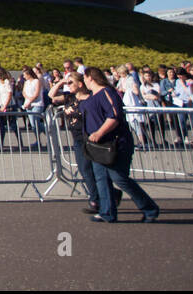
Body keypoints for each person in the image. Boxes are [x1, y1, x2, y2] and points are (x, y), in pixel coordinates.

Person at [80, 67, 159, 223]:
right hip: (98, 145)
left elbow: (114, 116)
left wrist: (99, 132)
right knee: (101, 178)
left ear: (90, 77)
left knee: (119, 177)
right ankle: (107, 212)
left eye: (84, 78)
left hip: (115, 142)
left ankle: (149, 208)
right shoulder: (92, 96)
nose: (84, 81)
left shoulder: (107, 93)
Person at [49, 71, 101, 213]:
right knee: (85, 169)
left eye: (71, 82)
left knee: (95, 170)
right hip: (77, 138)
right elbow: (51, 96)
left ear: (80, 83)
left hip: (91, 137)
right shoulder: (69, 97)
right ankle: (108, 194)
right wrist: (61, 82)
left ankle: (95, 200)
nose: (69, 85)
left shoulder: (91, 98)